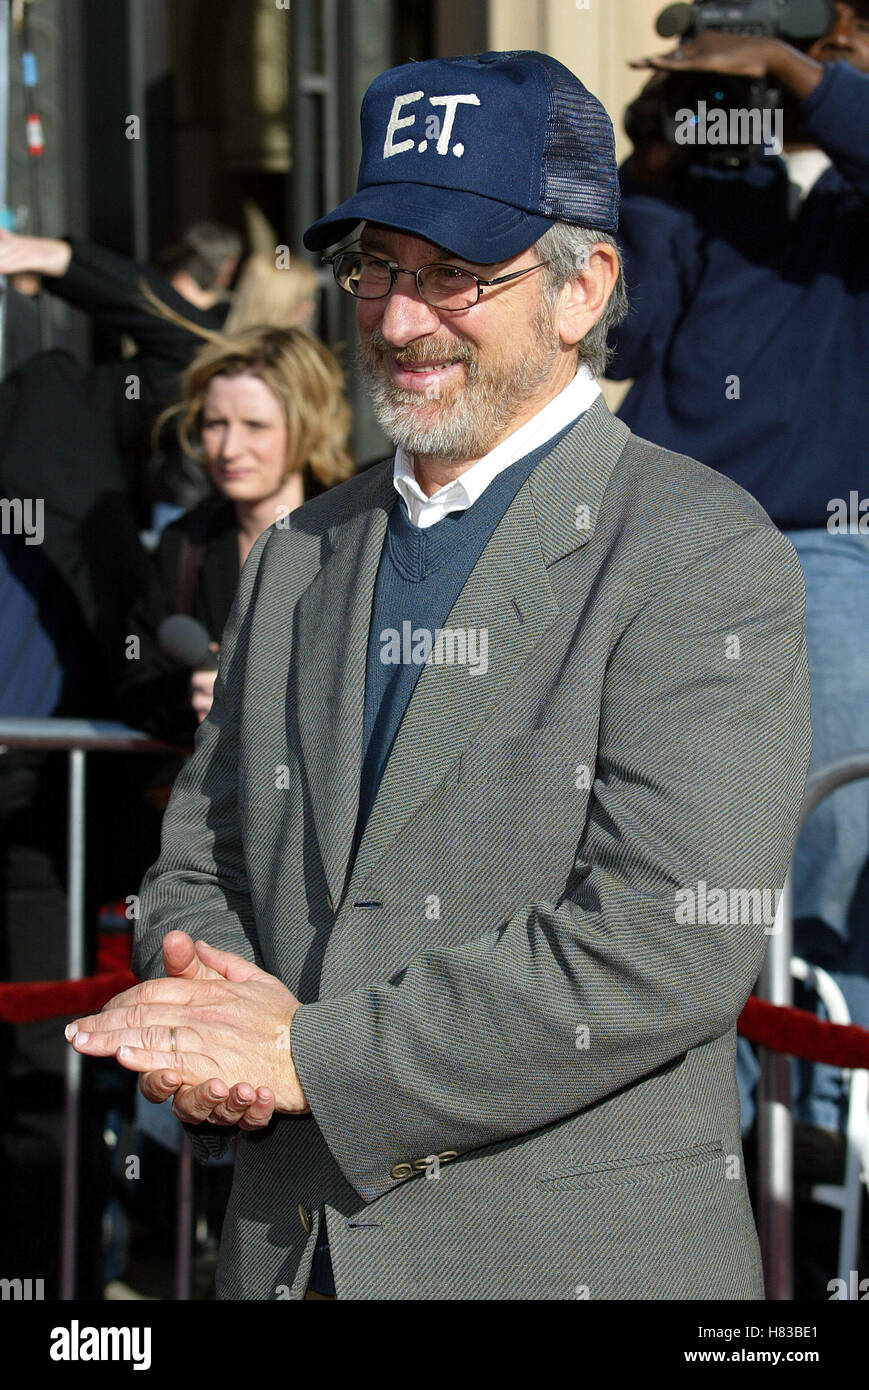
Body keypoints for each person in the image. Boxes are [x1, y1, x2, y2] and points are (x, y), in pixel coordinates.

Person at [68, 50, 812, 1300]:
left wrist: (311, 1057)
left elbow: (663, 941)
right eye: (379, 268)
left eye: (456, 275)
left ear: (584, 291)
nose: (400, 321)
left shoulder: (699, 551)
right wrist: (212, 1025)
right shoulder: (302, 551)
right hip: (280, 1254)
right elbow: (204, 851)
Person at [607, 6, 869, 1155]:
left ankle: (819, 1143)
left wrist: (790, 74)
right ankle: (693, 1143)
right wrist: (649, 161)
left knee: (831, 843)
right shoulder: (708, 176)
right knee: (666, 852)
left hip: (830, 549)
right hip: (674, 544)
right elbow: (612, 335)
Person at [118, 326, 353, 745]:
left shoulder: (358, 530)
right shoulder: (187, 542)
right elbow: (135, 681)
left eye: (255, 425)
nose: (228, 448)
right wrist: (192, 697)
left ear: (308, 425)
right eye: (215, 424)